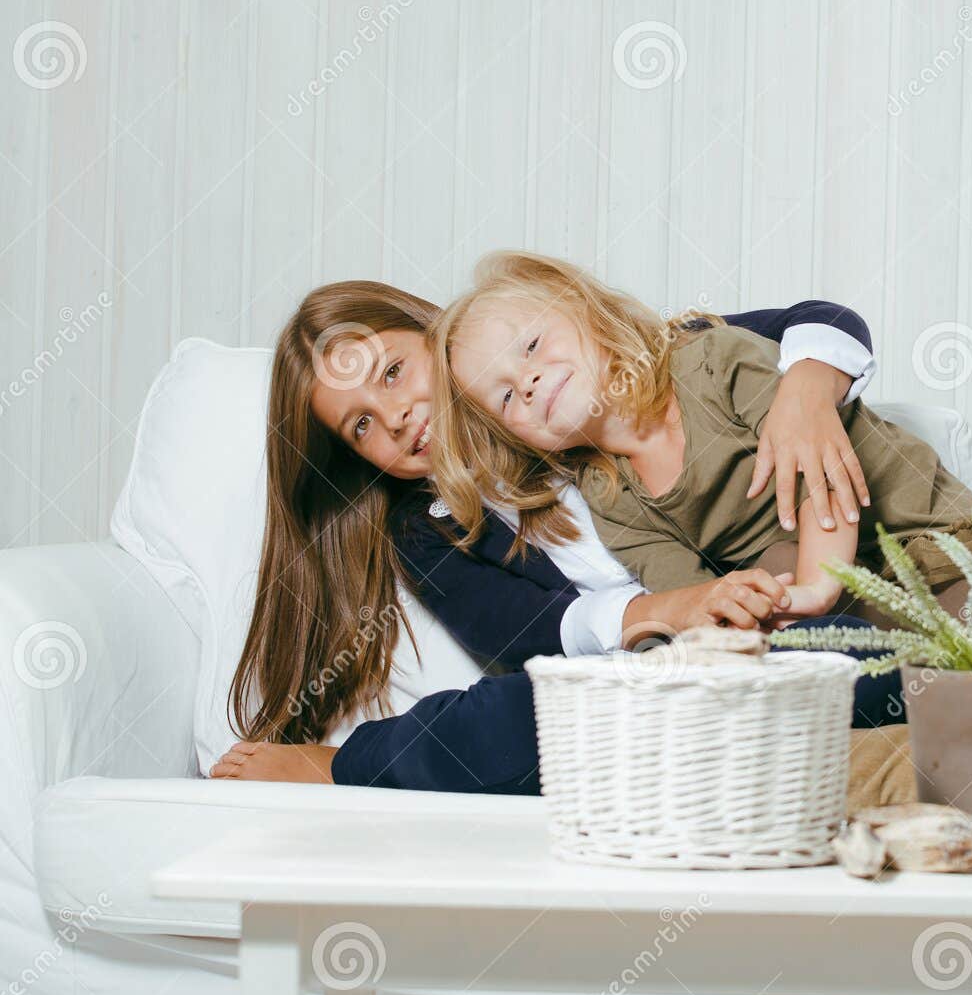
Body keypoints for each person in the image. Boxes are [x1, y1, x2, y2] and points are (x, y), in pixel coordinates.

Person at [212, 279, 897, 791]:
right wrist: (667, 611)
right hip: (629, 677)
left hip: (766, 630)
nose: (394, 416)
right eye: (360, 425)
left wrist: (806, 391)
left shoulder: (576, 370)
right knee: (507, 717)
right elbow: (526, 630)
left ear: (437, 335)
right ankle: (344, 765)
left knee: (846, 656)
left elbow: (819, 321)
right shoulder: (426, 530)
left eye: (394, 372)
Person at [430, 252, 972, 633]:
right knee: (778, 599)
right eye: (503, 396)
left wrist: (814, 589)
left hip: (924, 539)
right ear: (518, 438)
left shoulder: (711, 361)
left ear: (589, 315)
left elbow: (823, 481)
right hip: (834, 594)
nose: (526, 382)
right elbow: (692, 592)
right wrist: (751, 612)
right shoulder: (609, 495)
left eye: (531, 346)